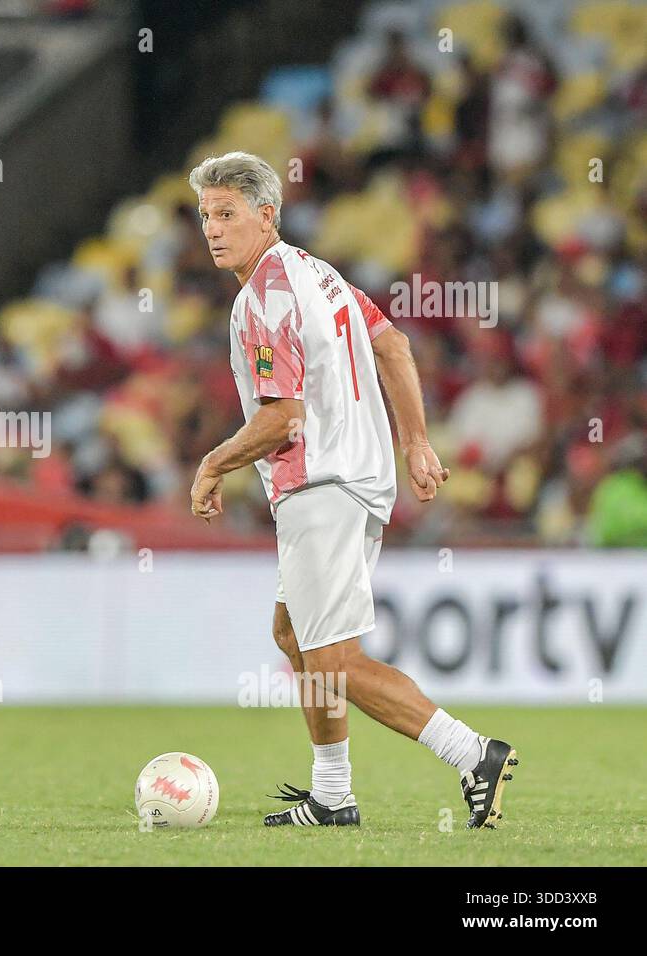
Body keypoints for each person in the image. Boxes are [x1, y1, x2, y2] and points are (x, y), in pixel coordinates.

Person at [186, 151, 518, 829]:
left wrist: (213, 463)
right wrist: (416, 441)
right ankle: (332, 793)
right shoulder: (320, 274)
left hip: (322, 482)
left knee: (333, 658)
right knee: (294, 636)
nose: (212, 229)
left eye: (227, 214)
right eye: (205, 216)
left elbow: (284, 417)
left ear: (266, 214)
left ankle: (472, 751)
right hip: (358, 478)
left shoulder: (265, 298)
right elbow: (393, 344)